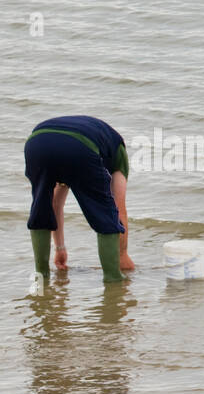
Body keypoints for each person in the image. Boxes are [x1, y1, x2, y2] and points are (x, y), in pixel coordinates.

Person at [24, 115, 136, 284]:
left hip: (38, 143)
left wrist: (59, 249)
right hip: (80, 146)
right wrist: (122, 255)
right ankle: (113, 278)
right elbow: (118, 208)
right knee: (106, 213)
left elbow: (54, 204)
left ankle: (42, 275)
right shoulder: (119, 154)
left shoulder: (95, 137)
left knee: (41, 207)